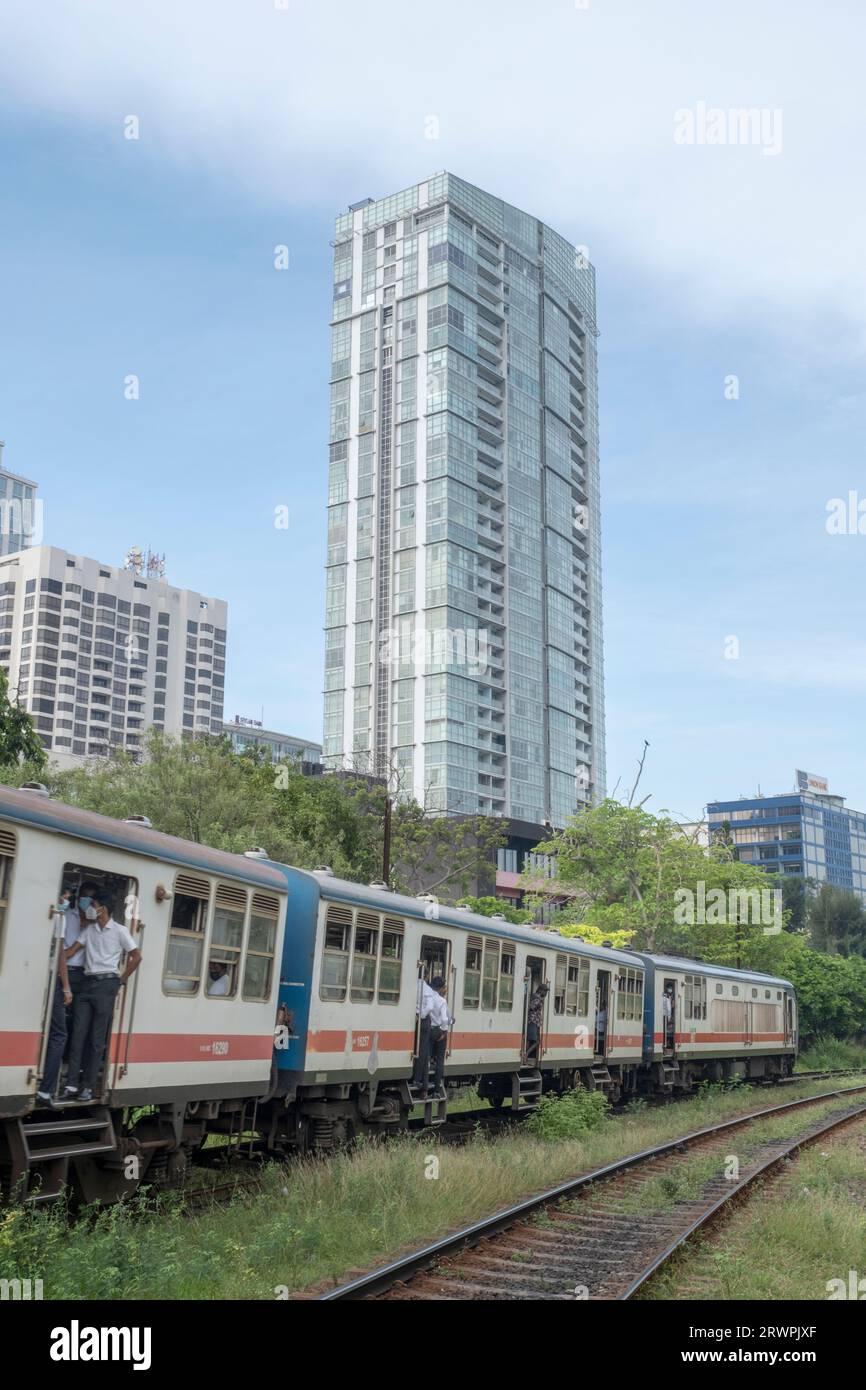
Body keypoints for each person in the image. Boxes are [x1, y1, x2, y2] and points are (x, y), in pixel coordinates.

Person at [62, 891, 141, 1103]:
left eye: (93, 903)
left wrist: (121, 980)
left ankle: (87, 1086)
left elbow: (136, 956)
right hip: (88, 984)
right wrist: (57, 953)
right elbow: (71, 951)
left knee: (96, 1039)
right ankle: (71, 1084)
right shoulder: (90, 930)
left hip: (107, 984)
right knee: (78, 1033)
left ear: (102, 908)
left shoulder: (120, 931)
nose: (89, 906)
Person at [35, 920, 74, 1106]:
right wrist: (66, 987)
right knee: (59, 1035)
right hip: (51, 980)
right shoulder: (60, 918)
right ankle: (45, 1090)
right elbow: (60, 954)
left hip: (33, 974)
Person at [412, 974, 438, 1096]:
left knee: (414, 1049)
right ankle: (419, 1080)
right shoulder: (427, 989)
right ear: (427, 976)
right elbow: (430, 1007)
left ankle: (418, 1080)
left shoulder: (412, 985)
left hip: (413, 1019)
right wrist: (422, 1016)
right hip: (423, 1020)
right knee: (423, 1052)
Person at [427, 976, 453, 1094]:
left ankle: (425, 1084)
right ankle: (437, 1088)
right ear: (441, 988)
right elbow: (444, 1019)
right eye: (445, 987)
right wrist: (444, 1031)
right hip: (438, 1031)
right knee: (440, 1060)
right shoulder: (442, 1001)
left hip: (428, 1029)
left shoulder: (427, 995)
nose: (446, 989)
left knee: (426, 1058)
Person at [526, 980, 549, 1061]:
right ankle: (526, 1055)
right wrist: (539, 1003)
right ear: (540, 990)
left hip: (535, 1021)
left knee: (532, 1040)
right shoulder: (538, 998)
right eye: (545, 991)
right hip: (533, 1021)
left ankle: (526, 1054)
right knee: (534, 1040)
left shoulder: (535, 996)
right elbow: (531, 1007)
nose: (546, 993)